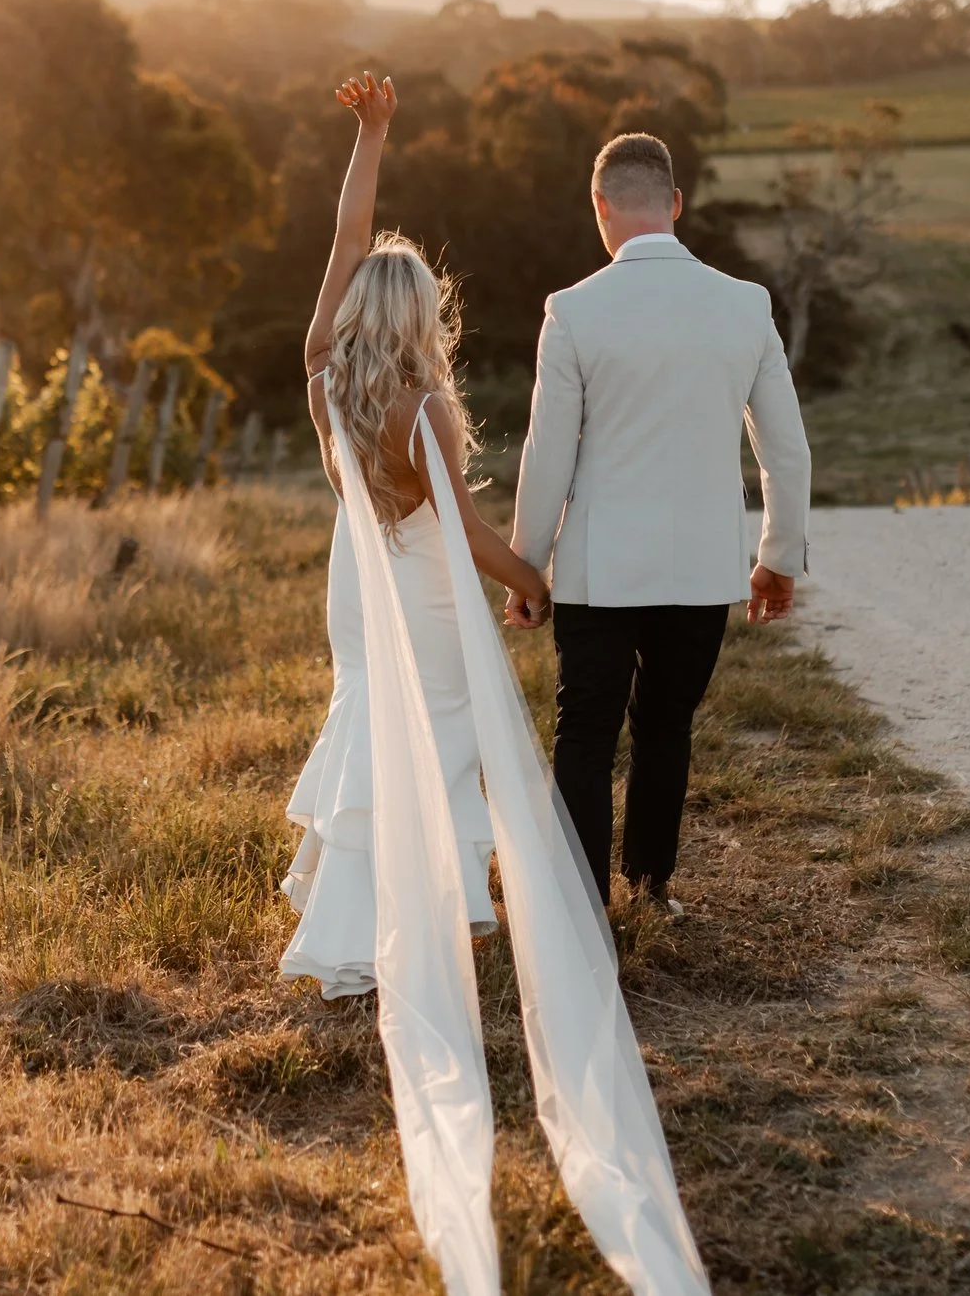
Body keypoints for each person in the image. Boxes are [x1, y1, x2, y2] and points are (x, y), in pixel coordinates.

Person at [277, 74, 710, 1296]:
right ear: (422, 317)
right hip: (419, 590)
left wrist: (369, 138)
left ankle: (357, 925)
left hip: (354, 592)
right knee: (448, 743)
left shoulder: (323, 377)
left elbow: (343, 243)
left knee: (373, 729)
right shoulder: (423, 406)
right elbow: (465, 534)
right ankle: (434, 912)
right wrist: (546, 584)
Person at [509, 131, 811, 915]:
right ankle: (651, 887)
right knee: (666, 727)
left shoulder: (571, 311)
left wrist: (524, 569)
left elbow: (546, 456)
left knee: (585, 732)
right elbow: (785, 447)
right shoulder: (746, 304)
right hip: (701, 568)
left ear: (599, 208)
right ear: (675, 204)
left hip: (596, 569)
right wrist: (776, 556)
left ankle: (579, 908)